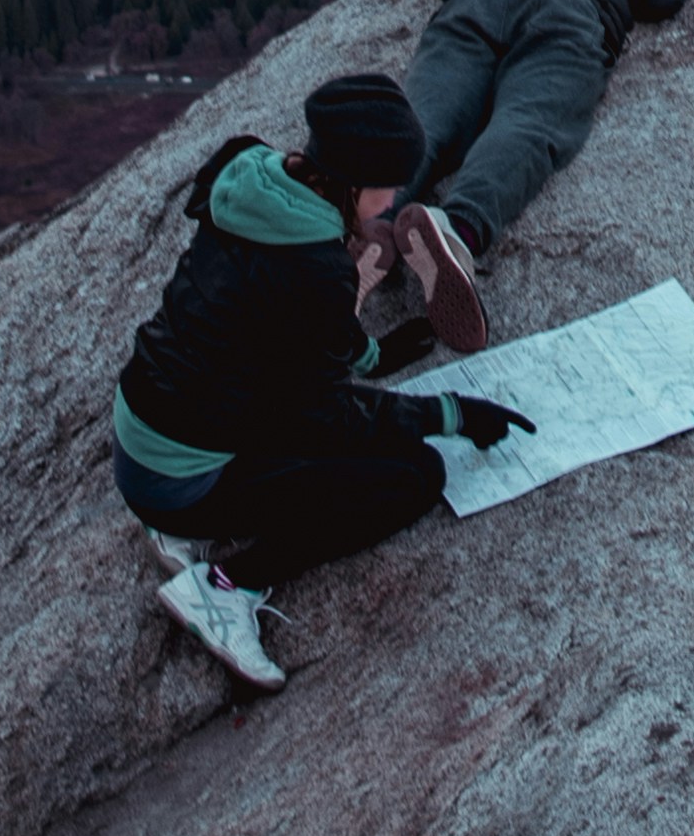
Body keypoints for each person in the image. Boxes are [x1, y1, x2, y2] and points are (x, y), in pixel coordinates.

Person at [110, 68, 525, 688]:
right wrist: (452, 415)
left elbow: (270, 319)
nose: (390, 202)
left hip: (143, 425)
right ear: (354, 182)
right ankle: (226, 588)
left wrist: (370, 358)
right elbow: (324, 416)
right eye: (384, 189)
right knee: (414, 476)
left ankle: (175, 521)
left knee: (293, 409)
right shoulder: (316, 270)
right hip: (182, 480)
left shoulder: (248, 175)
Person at [387, 0, 694, 357]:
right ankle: (457, 230)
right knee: (530, 121)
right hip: (566, 12)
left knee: (427, 117)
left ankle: (372, 219)